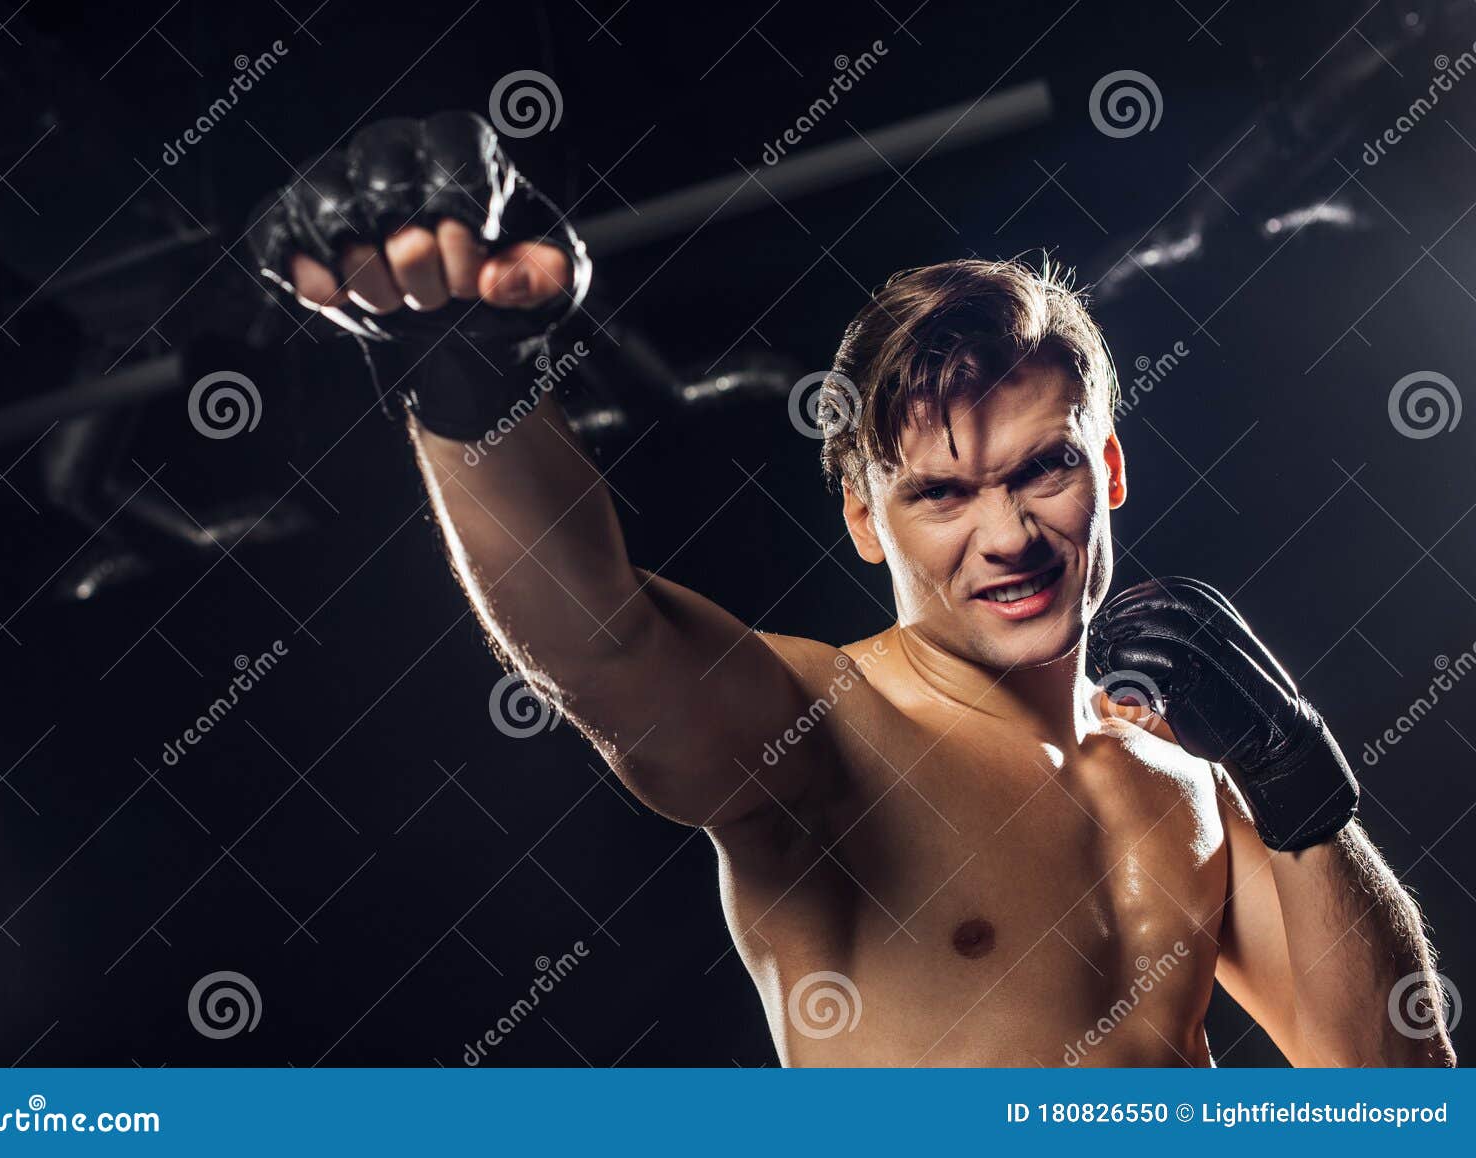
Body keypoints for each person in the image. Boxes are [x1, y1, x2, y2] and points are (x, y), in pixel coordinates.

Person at [249, 112, 1456, 1067]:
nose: (1007, 536)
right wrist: (472, 385)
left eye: (1043, 470)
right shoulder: (824, 733)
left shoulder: (1196, 770)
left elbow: (1393, 1100)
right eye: (940, 494)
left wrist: (1311, 805)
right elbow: (599, 645)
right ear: (862, 520)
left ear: (1110, 469)